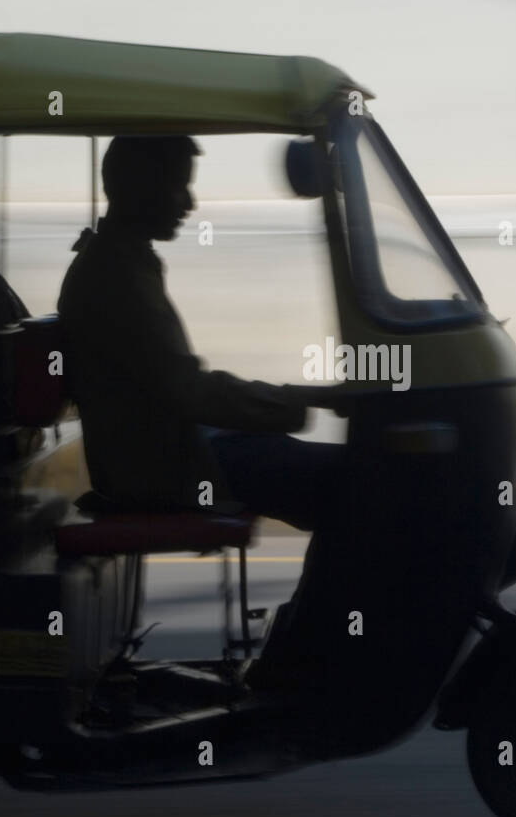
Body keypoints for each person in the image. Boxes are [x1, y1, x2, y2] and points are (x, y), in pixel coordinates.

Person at [56, 135, 341, 530]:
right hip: (167, 471)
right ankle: (323, 595)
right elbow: (189, 392)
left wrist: (304, 398)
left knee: (336, 476)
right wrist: (298, 402)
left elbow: (180, 388)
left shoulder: (116, 263)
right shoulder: (116, 278)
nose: (190, 203)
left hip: (162, 453)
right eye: (178, 186)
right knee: (358, 480)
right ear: (138, 186)